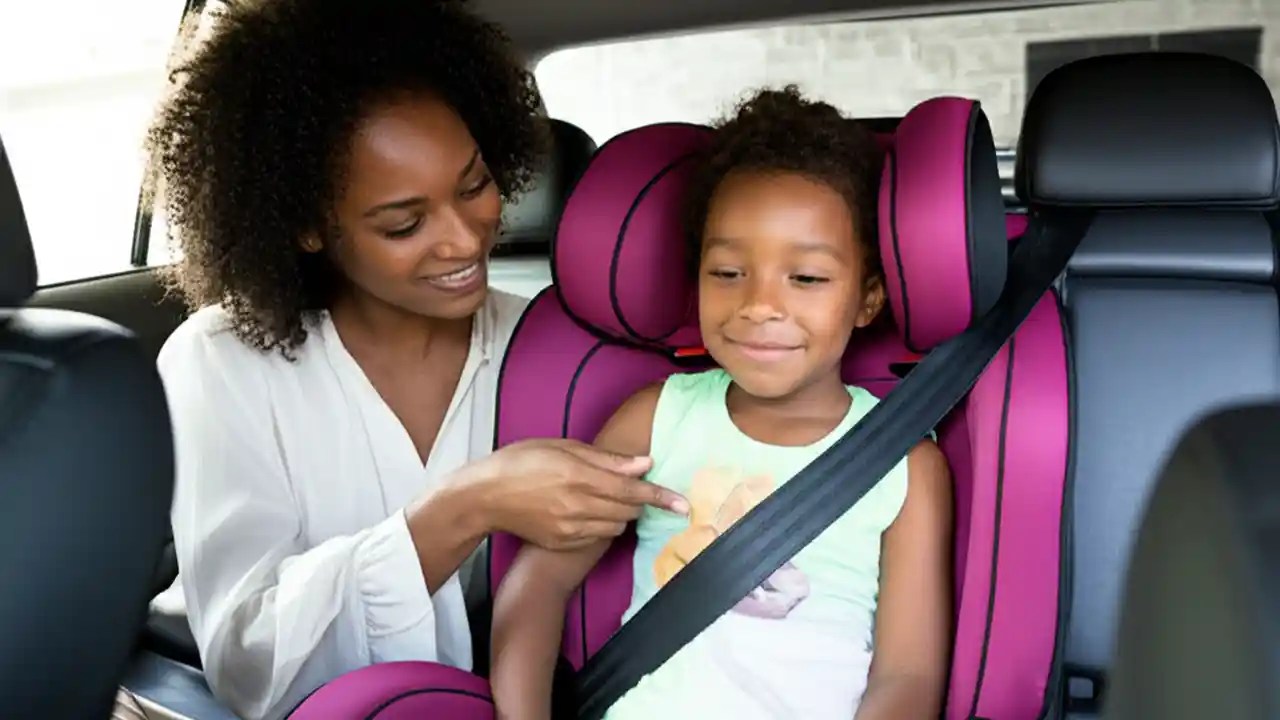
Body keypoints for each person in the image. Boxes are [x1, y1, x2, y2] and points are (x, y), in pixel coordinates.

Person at [142, 1, 686, 719]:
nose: (464, 240)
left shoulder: (548, 352)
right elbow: (251, 663)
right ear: (306, 226)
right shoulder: (220, 363)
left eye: (474, 186)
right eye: (404, 223)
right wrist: (466, 506)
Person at [489, 87, 954, 720]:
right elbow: (540, 583)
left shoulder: (907, 467)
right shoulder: (655, 419)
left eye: (808, 278)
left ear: (868, 298)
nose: (759, 305)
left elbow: (907, 676)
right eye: (728, 273)